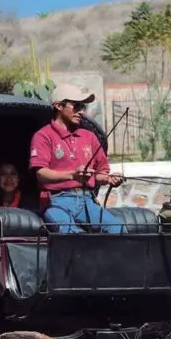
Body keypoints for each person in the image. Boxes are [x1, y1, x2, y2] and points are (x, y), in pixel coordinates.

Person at [29, 84, 126, 234]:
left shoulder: (89, 137)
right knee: (72, 235)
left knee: (117, 229)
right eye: (76, 106)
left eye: (83, 107)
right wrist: (73, 175)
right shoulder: (43, 136)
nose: (81, 111)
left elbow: (98, 174)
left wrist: (108, 179)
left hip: (87, 200)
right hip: (56, 201)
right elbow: (41, 174)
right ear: (59, 106)